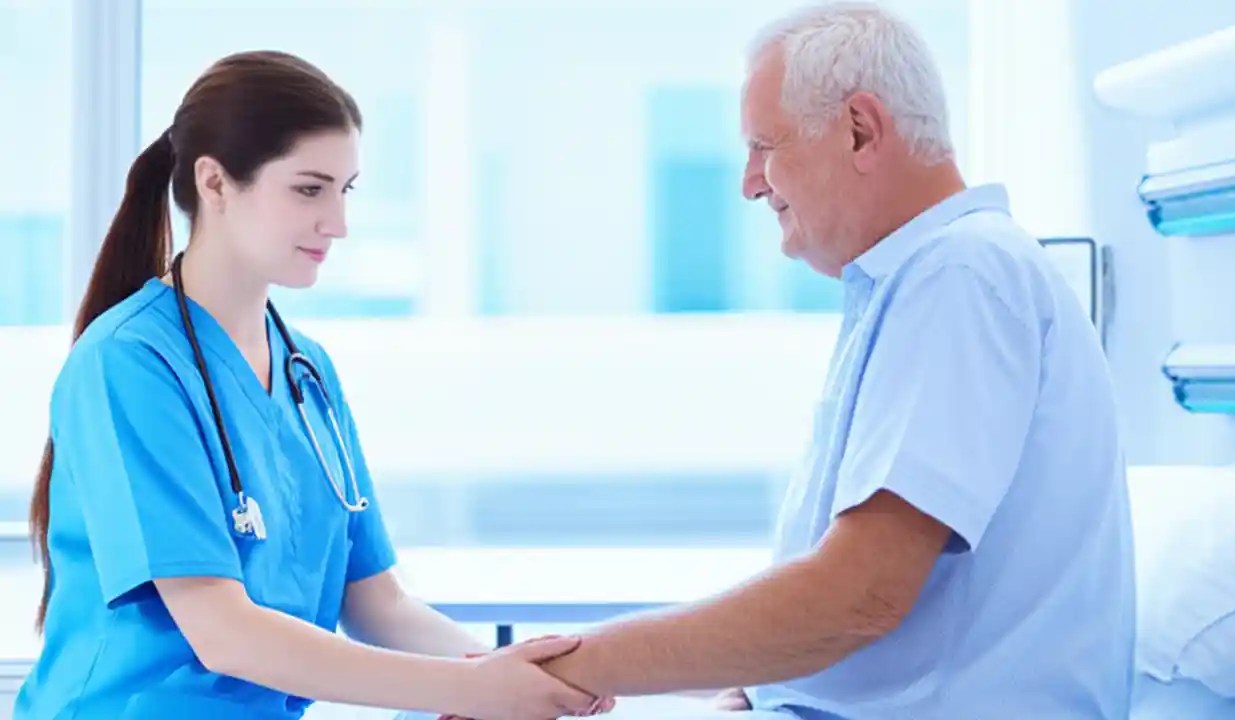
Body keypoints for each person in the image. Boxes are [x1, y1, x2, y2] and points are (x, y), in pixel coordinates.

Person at [464, 3, 1136, 719]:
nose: (750, 183)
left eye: (764, 147)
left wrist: (577, 666)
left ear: (859, 130)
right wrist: (759, 685)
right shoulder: (924, 281)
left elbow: (859, 594)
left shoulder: (962, 275)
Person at [16, 50, 608, 720]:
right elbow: (224, 633)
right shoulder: (127, 364)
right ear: (214, 183)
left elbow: (377, 604)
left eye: (345, 189)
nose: (339, 222)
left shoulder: (308, 373)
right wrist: (473, 688)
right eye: (309, 189)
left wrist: (518, 678)